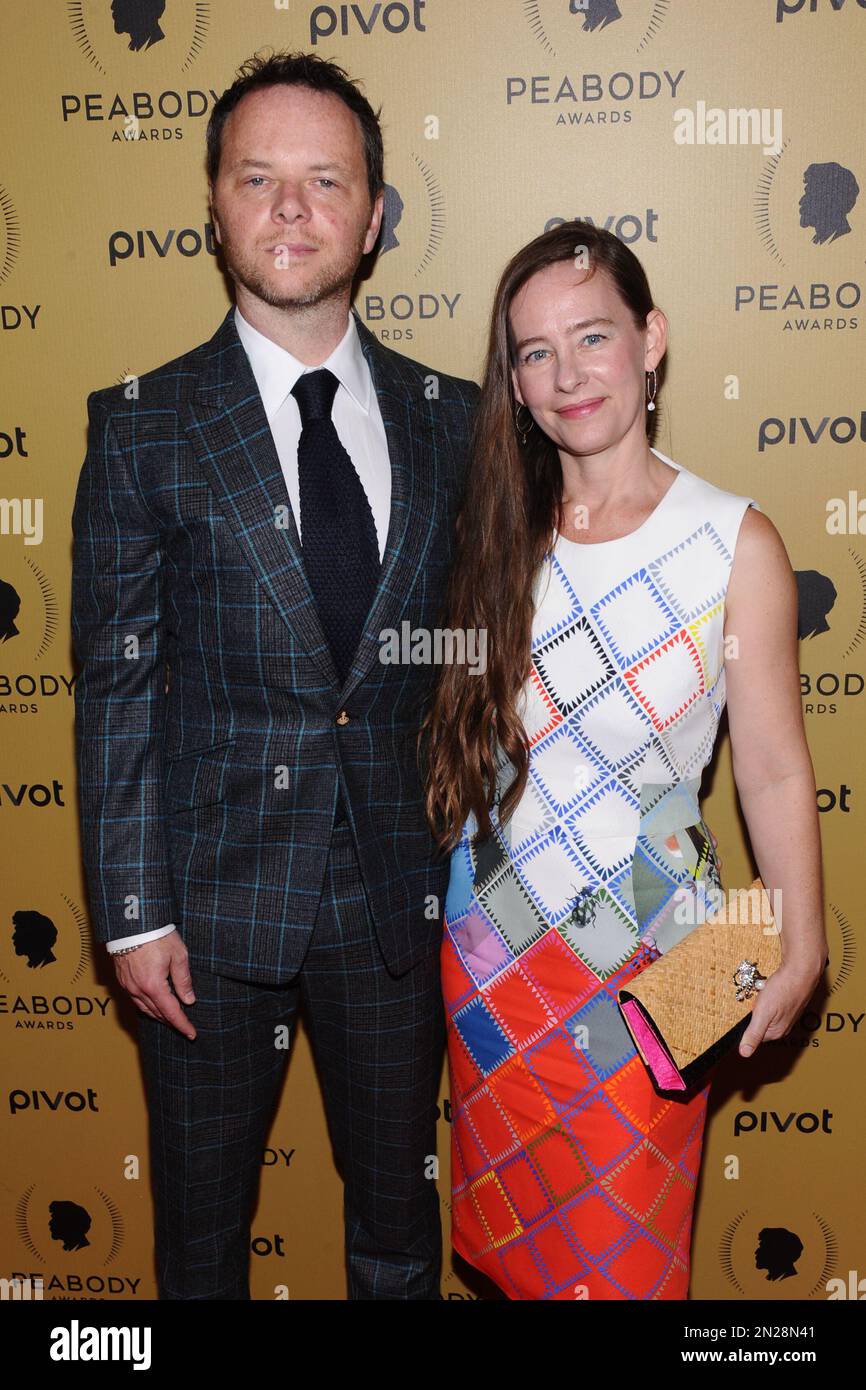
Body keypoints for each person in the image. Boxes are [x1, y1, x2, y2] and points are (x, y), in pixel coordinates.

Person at [71, 50, 480, 1300]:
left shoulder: (453, 418)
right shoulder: (141, 421)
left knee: (400, 1238)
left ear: (371, 214)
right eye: (258, 178)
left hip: (395, 905)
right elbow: (117, 683)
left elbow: (474, 652)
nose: (291, 209)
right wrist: (132, 911)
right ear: (213, 204)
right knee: (199, 1244)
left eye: (324, 180)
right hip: (203, 912)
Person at [421, 221, 827, 1300]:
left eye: (591, 337)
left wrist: (795, 934)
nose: (565, 375)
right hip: (488, 952)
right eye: (534, 352)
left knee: (623, 1265)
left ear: (650, 341)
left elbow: (774, 772)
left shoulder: (732, 542)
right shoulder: (493, 531)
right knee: (513, 1260)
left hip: (655, 962)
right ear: (511, 378)